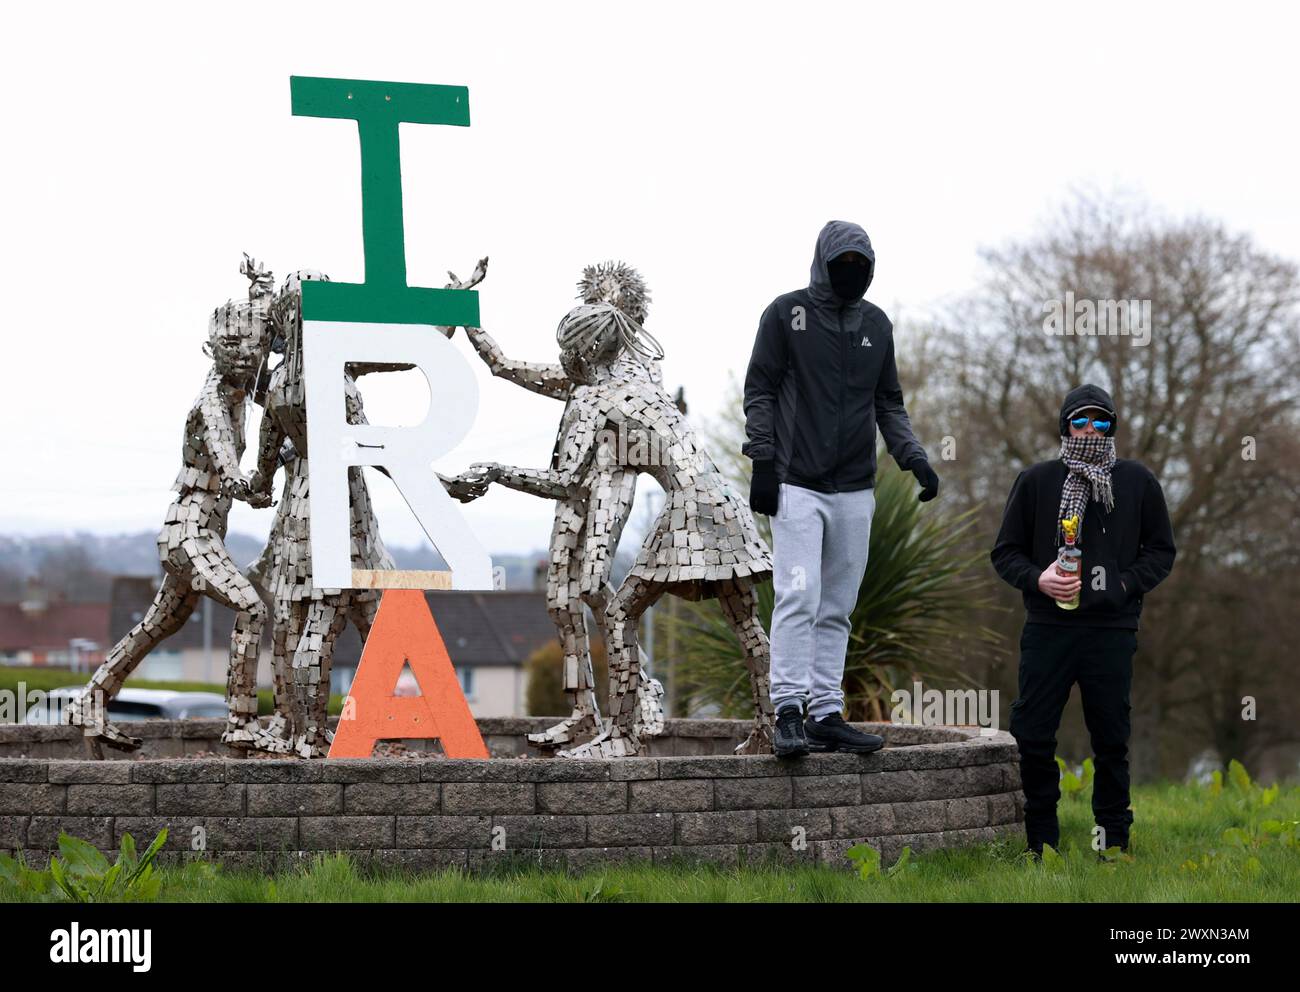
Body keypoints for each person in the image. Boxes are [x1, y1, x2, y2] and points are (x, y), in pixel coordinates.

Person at [743, 220, 939, 759]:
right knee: (798, 596)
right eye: (842, 264)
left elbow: (888, 404)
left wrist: (915, 459)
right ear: (823, 263)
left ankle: (826, 714)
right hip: (796, 484)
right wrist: (762, 461)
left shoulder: (878, 323)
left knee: (838, 605)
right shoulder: (786, 314)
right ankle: (787, 711)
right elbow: (759, 389)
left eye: (861, 265)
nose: (851, 273)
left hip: (855, 489)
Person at [990, 383, 1176, 856]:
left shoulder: (1137, 481)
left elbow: (1160, 552)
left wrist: (1124, 585)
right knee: (1032, 736)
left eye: (1100, 420)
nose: (1090, 428)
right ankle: (1041, 842)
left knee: (1111, 739)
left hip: (1111, 631)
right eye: (1080, 420)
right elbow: (1004, 552)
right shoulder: (1036, 481)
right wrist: (1039, 580)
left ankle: (1113, 842)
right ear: (1065, 426)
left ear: (1112, 426)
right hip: (1047, 629)